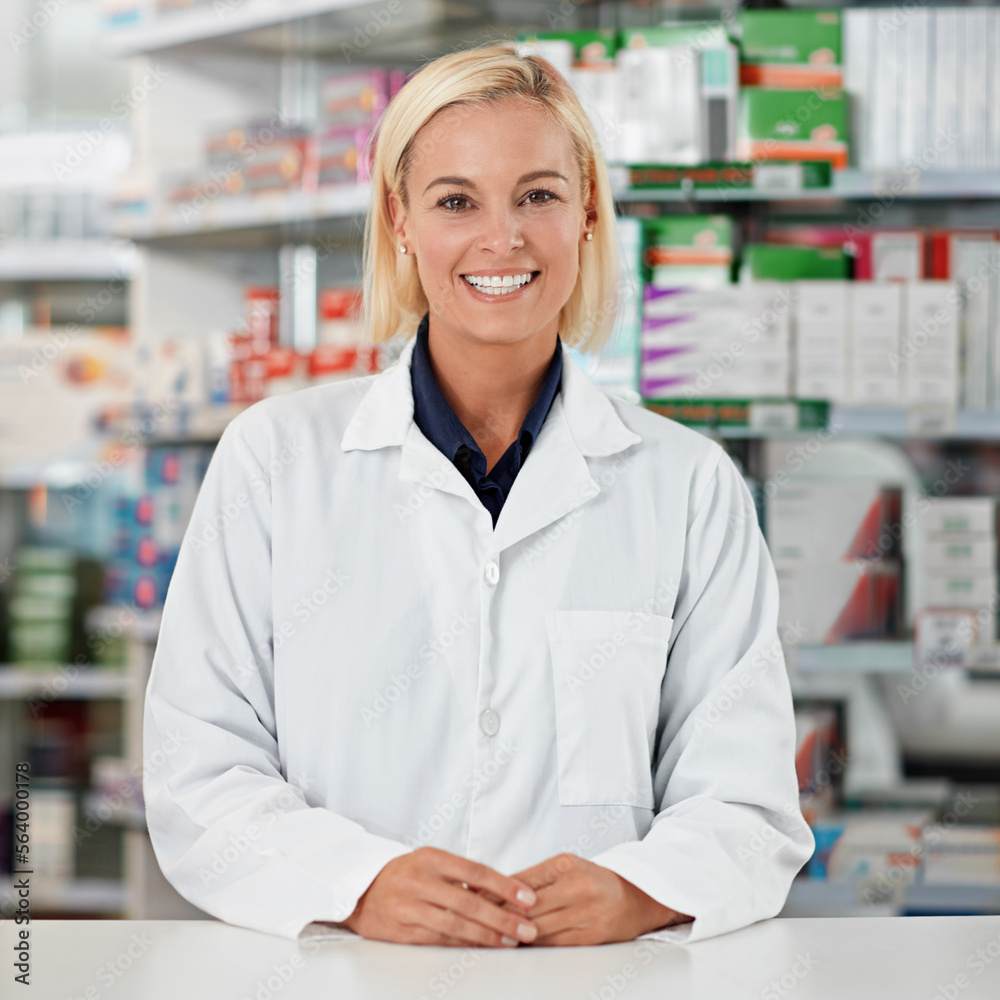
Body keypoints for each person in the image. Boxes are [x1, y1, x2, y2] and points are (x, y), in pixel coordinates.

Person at [143, 42, 814, 949]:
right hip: (350, 973)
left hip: (597, 979)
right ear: (402, 223)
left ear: (586, 216)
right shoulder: (275, 460)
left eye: (538, 195)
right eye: (456, 200)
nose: (503, 239)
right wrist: (357, 883)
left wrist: (640, 890)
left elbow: (746, 799)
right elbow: (198, 767)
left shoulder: (688, 485)